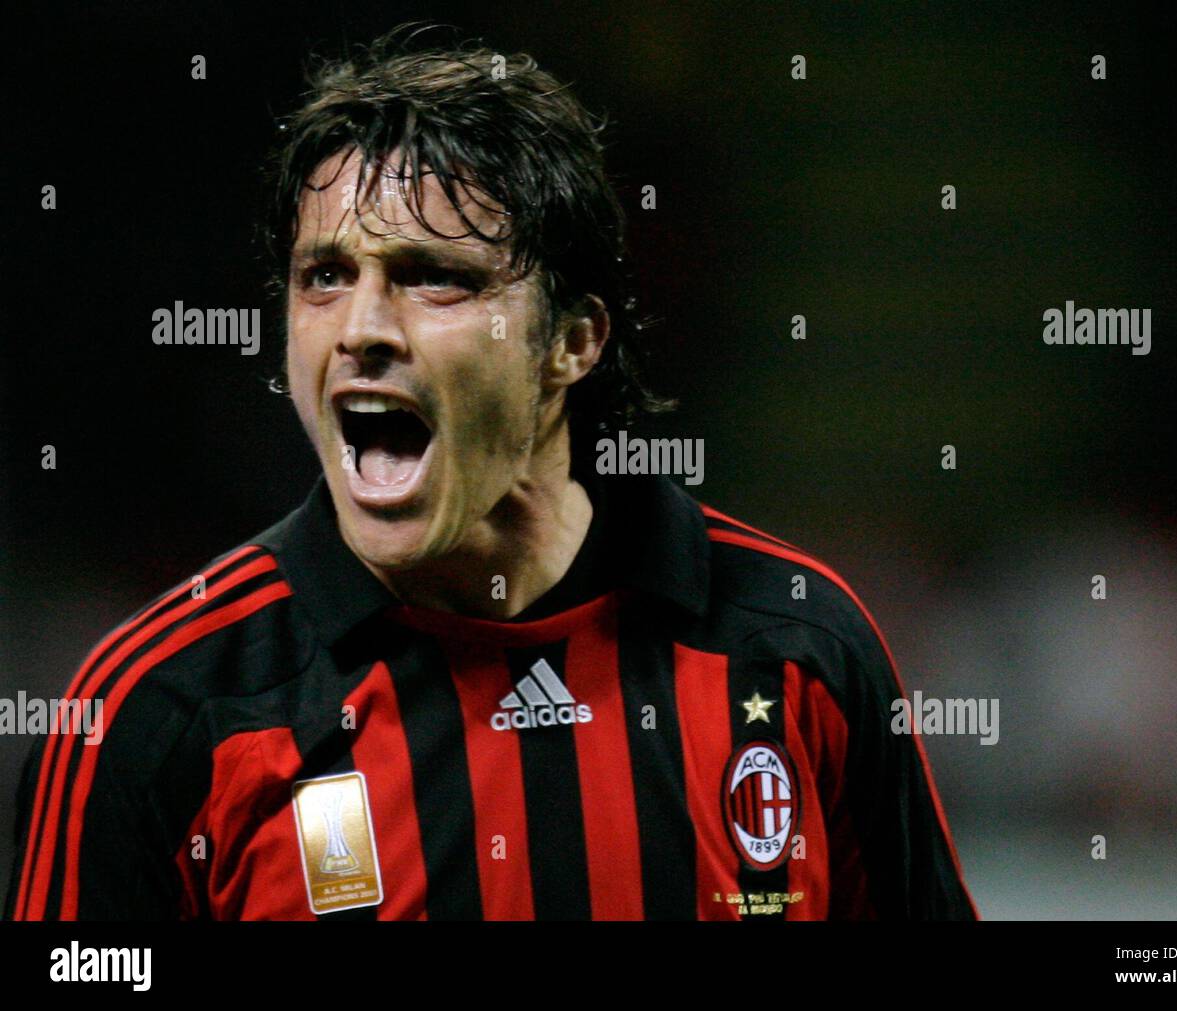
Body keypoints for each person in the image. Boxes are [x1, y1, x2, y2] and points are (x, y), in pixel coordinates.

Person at [5, 26, 976, 921]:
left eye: (436, 276)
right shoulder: (158, 709)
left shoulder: (795, 646)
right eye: (324, 276)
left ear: (573, 339)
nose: (361, 330)